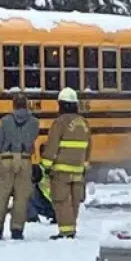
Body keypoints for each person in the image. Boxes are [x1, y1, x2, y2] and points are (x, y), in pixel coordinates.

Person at [0, 94, 40, 240]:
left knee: (0, 197)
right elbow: (32, 139)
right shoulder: (35, 122)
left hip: (7, 159)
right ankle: (17, 229)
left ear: (14, 105)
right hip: (24, 160)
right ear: (27, 105)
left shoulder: (5, 121)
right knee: (21, 198)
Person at [40, 87, 90, 239]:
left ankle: (66, 231)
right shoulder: (83, 123)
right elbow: (89, 146)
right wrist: (84, 166)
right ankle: (72, 228)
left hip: (61, 170)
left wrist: (46, 166)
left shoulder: (59, 122)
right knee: (74, 201)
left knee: (61, 201)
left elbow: (52, 145)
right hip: (78, 170)